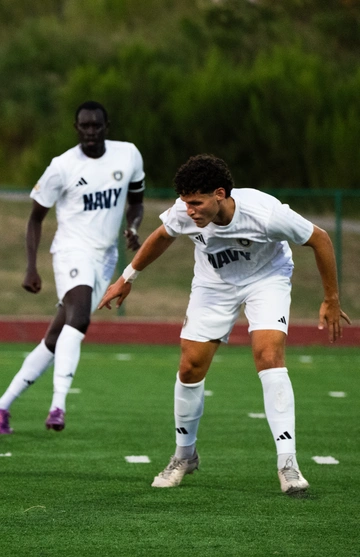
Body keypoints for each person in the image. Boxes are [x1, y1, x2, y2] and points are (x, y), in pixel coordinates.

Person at [99, 154, 350, 495]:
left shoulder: (265, 213)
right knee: (190, 367)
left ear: (220, 194)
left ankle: (288, 463)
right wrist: (127, 278)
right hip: (214, 284)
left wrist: (331, 299)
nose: (189, 210)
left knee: (269, 356)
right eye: (186, 202)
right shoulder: (184, 212)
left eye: (196, 203)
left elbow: (320, 239)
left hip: (267, 279)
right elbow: (162, 235)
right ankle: (184, 456)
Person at [0, 101, 145, 434]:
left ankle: (2, 405)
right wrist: (31, 267)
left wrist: (133, 228)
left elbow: (136, 202)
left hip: (105, 257)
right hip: (72, 251)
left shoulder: (128, 155)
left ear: (106, 126)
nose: (91, 131)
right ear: (76, 128)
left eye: (96, 125)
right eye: (84, 126)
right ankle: (58, 405)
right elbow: (35, 218)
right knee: (80, 318)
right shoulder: (62, 166)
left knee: (56, 336)